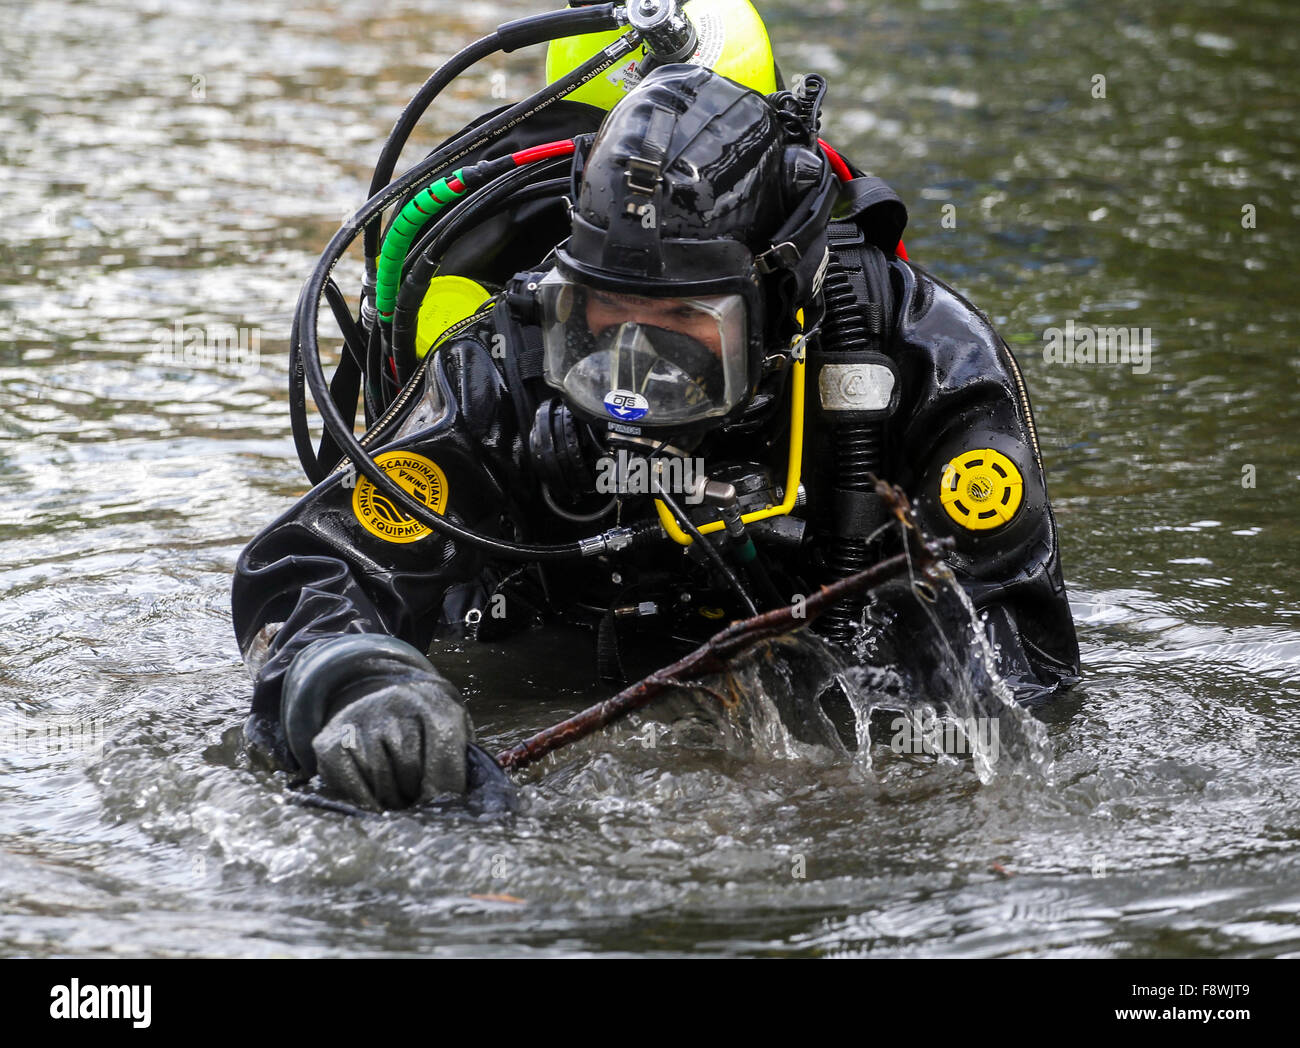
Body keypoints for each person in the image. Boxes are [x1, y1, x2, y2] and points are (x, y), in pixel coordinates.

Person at [231, 62, 1079, 812]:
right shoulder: (505, 359)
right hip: (559, 636)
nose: (634, 363)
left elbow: (1016, 671)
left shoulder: (932, 361)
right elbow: (318, 560)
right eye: (602, 317)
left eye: (683, 318)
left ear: (779, 300)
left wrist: (875, 790)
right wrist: (354, 683)